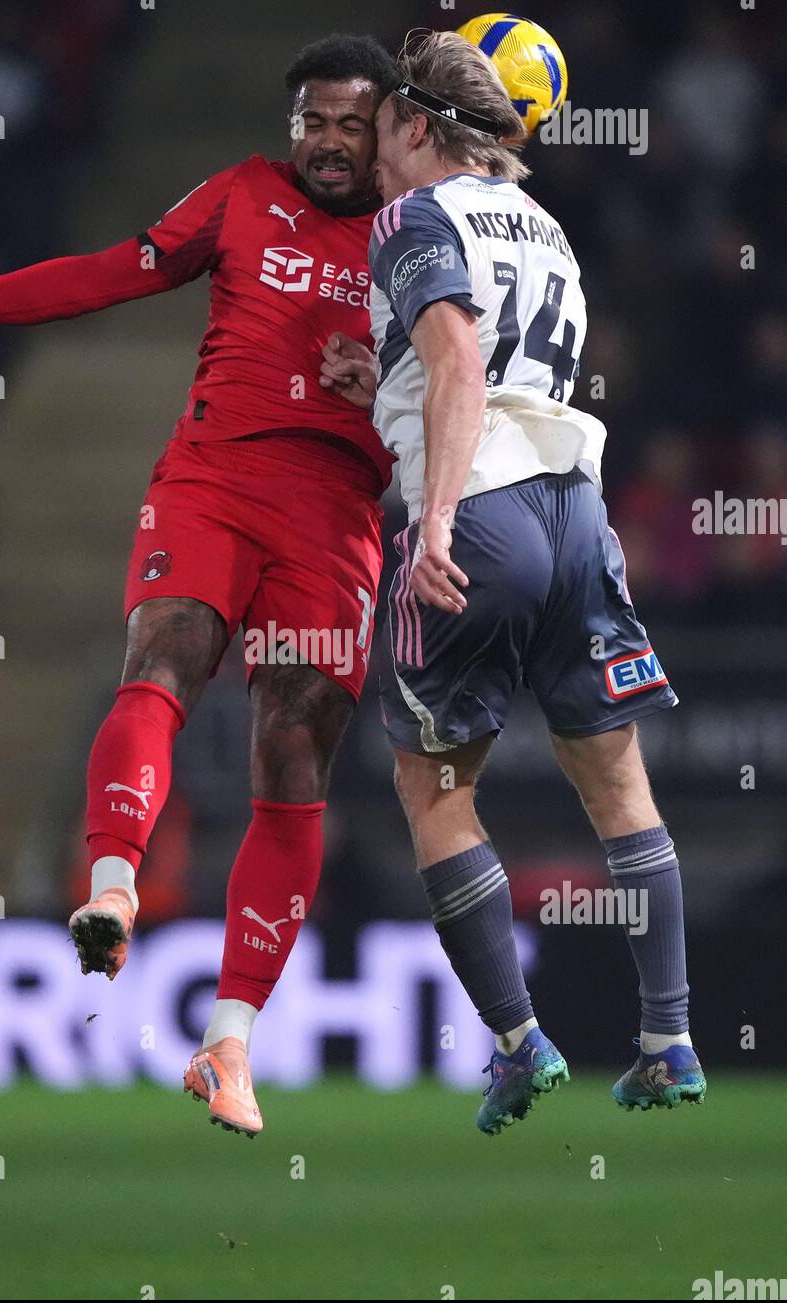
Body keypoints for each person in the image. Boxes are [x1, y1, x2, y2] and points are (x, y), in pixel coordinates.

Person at [0, 34, 399, 1138]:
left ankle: (229, 1042)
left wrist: (390, 373)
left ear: (387, 128)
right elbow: (107, 272)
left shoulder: (419, 231)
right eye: (314, 122)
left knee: (293, 754)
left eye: (352, 123)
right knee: (165, 652)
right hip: (214, 479)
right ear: (290, 126)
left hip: (336, 514)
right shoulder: (240, 194)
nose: (330, 143)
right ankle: (111, 883)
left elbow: (487, 374)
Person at [320, 30, 706, 1135]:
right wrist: (376, 390)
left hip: (479, 513)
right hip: (577, 510)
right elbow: (498, 368)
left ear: (421, 128)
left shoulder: (414, 215)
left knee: (434, 789)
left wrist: (433, 516)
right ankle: (668, 1038)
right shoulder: (546, 224)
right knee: (619, 788)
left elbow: (458, 367)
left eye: (385, 123)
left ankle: (518, 1039)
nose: (370, 147)